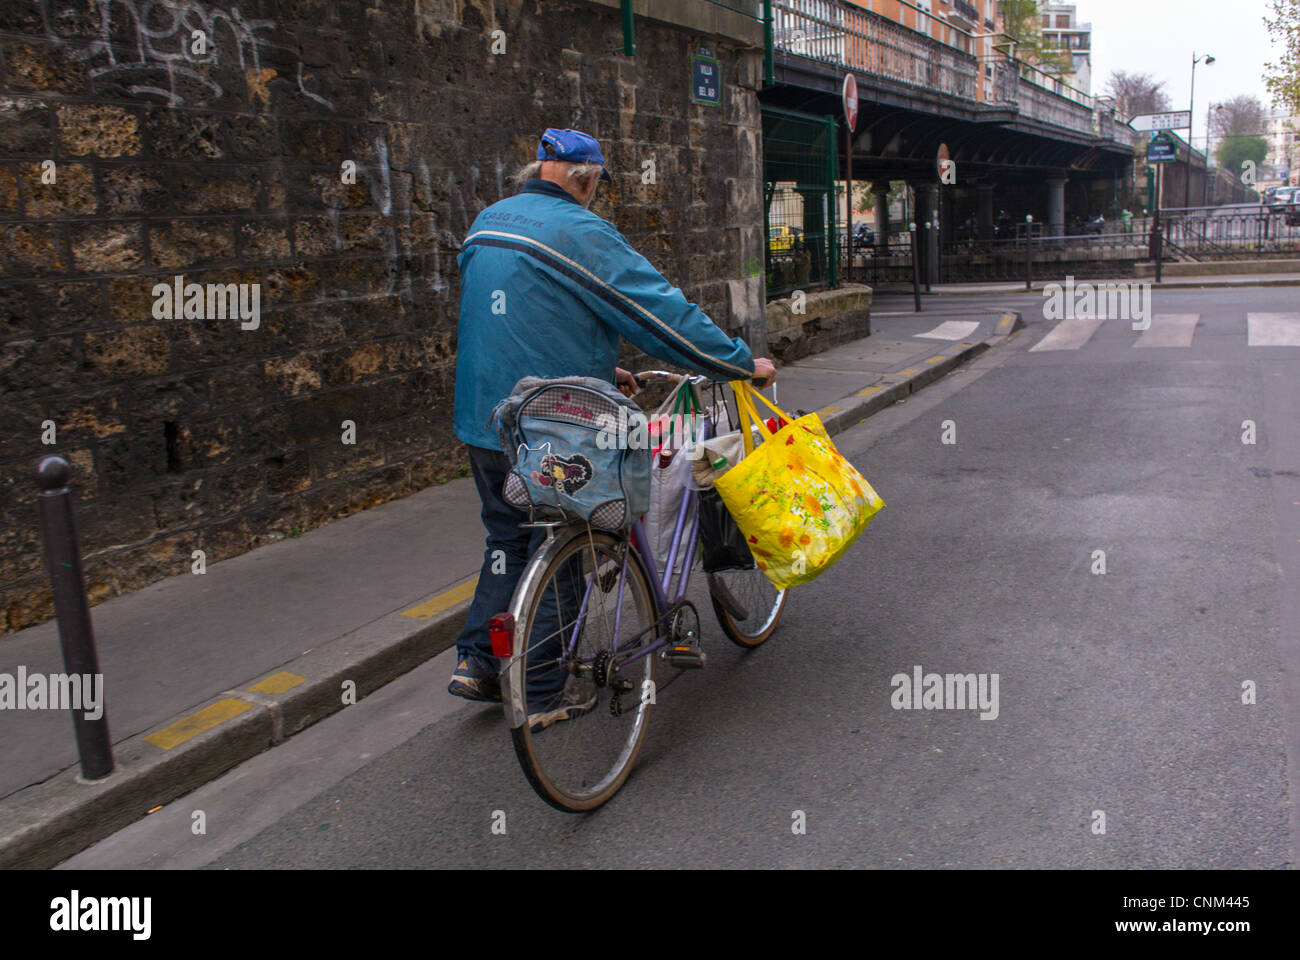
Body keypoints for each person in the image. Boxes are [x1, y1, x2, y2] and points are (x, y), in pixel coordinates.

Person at [449, 128, 777, 728]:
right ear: (588, 179)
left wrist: (602, 368)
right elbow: (658, 312)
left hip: (485, 417)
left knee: (507, 538)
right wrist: (735, 361)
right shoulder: (583, 231)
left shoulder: (489, 220)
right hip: (552, 427)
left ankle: (477, 662)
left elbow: (524, 314)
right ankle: (544, 689)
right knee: (565, 543)